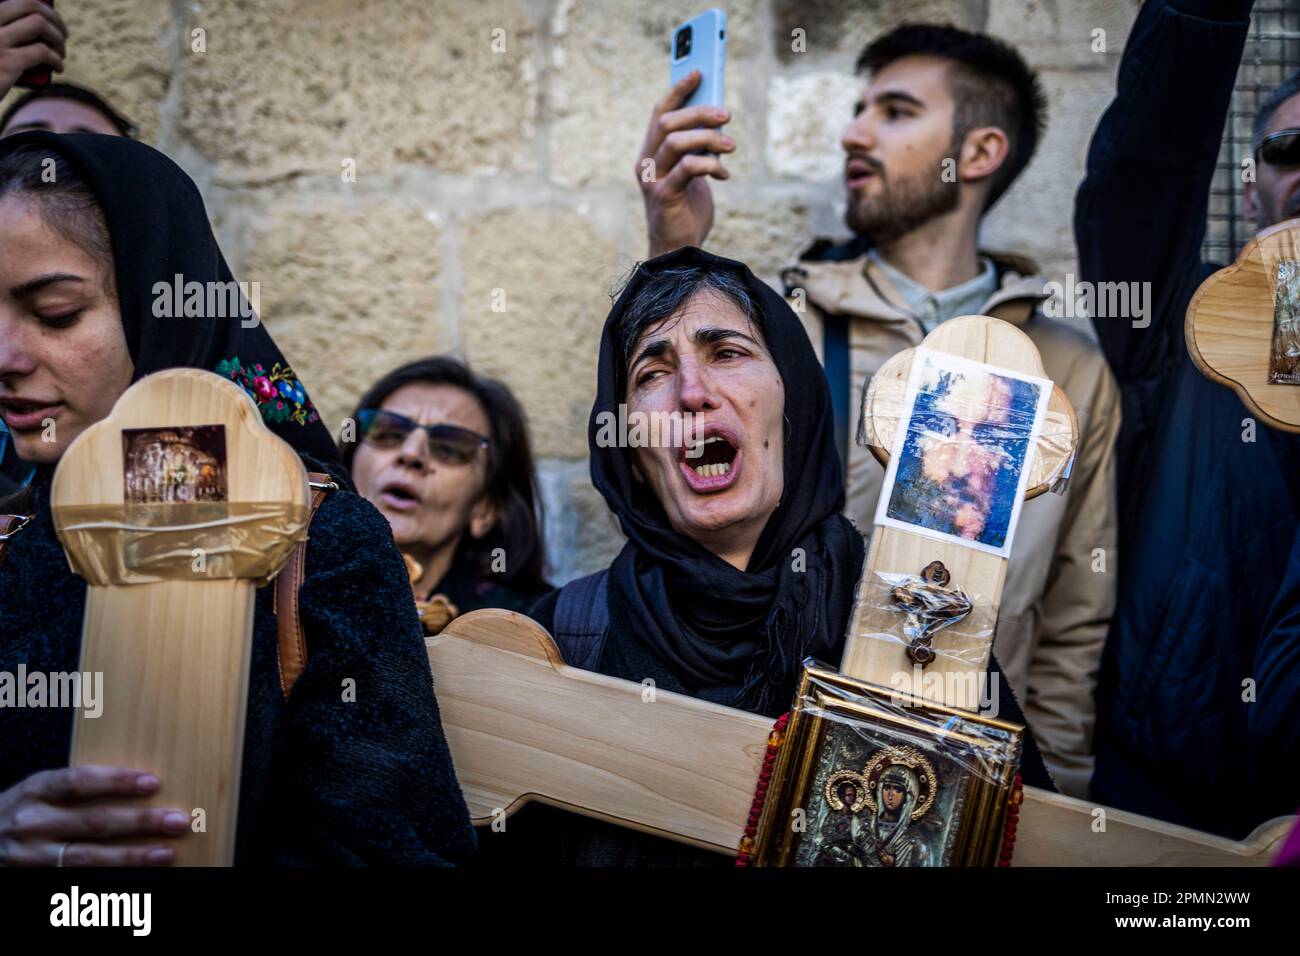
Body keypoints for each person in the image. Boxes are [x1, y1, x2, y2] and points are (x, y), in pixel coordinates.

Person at [637, 23, 1120, 798]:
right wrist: (673, 252)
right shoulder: (779, 333)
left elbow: (1071, 624)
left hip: (966, 783)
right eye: (859, 109)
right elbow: (677, 474)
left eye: (894, 112)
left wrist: (1046, 806)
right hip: (762, 763)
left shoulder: (1071, 371)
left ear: (983, 152)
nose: (853, 133)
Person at [0, 131, 475, 865]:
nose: (7, 356)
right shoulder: (9, 545)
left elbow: (395, 851)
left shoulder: (310, 540)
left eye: (56, 313)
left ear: (164, 304)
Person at [496, 247, 1054, 866]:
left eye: (727, 354)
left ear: (795, 409)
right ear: (629, 450)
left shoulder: (922, 618)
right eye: (652, 373)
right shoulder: (565, 640)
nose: (691, 393)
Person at [1075, 0, 1300, 839]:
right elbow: (1140, 177)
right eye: (1286, 148)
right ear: (1251, 189)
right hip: (1161, 807)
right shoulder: (1181, 318)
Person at [340, 357, 551, 631]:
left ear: (485, 509)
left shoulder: (528, 631)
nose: (411, 454)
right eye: (389, 432)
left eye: (450, 447)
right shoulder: (277, 587)